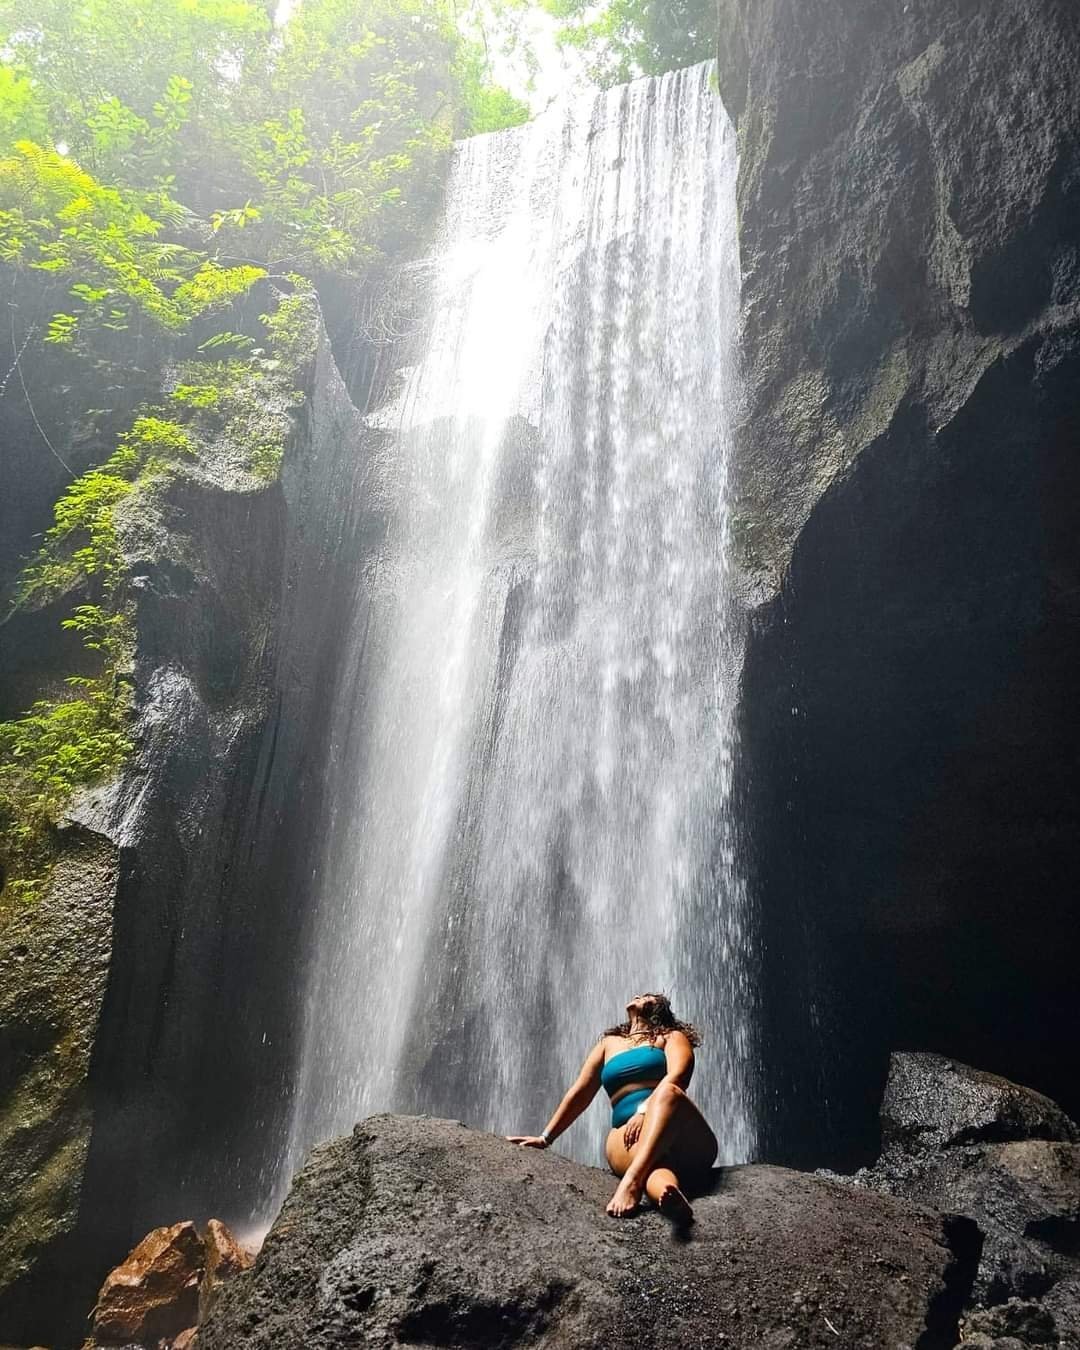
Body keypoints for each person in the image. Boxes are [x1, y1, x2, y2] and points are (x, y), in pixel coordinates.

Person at [506, 992, 718, 1221]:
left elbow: (679, 1076)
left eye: (648, 996)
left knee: (668, 1092)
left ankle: (631, 1182)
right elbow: (580, 1092)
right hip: (625, 1134)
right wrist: (545, 1138)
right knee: (654, 1163)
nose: (639, 995)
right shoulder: (609, 1044)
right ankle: (668, 1197)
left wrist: (643, 1111)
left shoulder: (670, 1036)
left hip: (682, 1134)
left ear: (660, 1009)